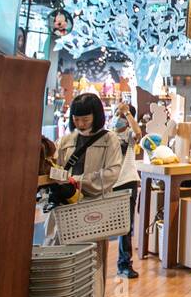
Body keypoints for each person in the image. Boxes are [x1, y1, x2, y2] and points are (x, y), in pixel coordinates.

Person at [51, 93, 125, 278]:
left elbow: (112, 173)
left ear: (96, 116)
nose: (80, 124)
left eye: (85, 119)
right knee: (62, 259)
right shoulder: (66, 140)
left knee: (91, 263)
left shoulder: (109, 139)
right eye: (76, 119)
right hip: (66, 208)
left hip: (94, 209)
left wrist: (79, 181)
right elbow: (57, 168)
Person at [110, 101, 142, 278]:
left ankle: (124, 264)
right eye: (117, 113)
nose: (119, 117)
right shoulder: (109, 134)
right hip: (109, 184)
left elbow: (138, 133)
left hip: (128, 181)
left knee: (125, 226)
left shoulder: (130, 134)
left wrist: (127, 113)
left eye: (122, 115)